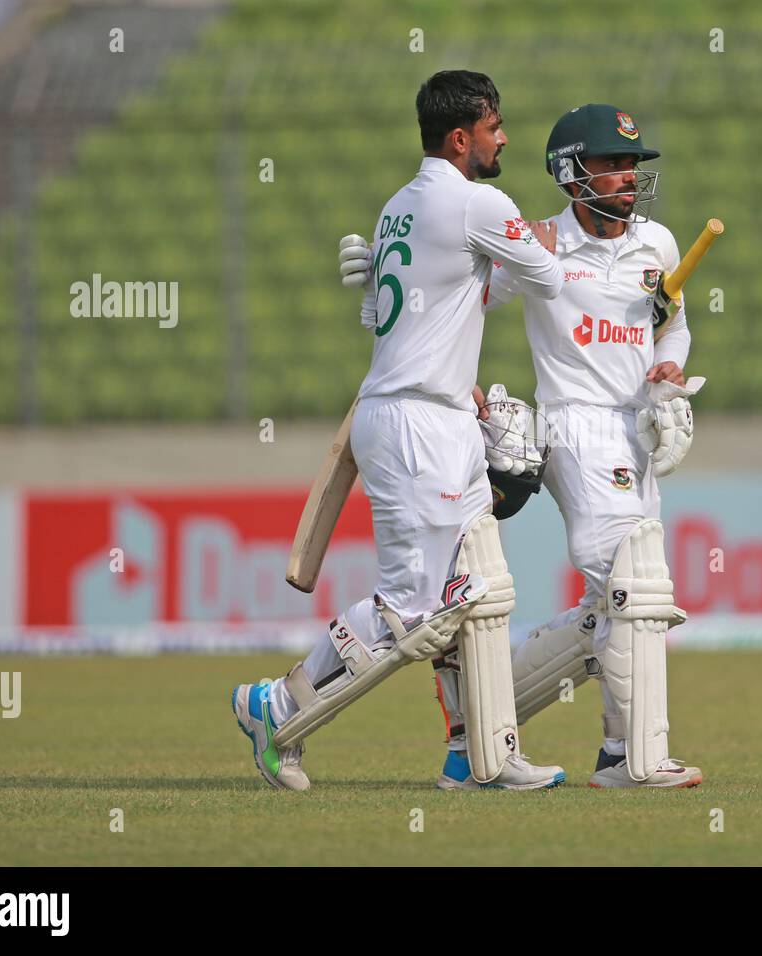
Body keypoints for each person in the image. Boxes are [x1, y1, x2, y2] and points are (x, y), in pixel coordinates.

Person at [342, 103, 704, 789]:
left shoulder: (657, 244)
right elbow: (454, 302)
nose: (629, 176)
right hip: (572, 423)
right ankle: (634, 761)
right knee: (629, 578)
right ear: (572, 175)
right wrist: (384, 281)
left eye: (633, 164)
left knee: (617, 603)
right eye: (613, 163)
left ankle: (489, 724)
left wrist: (669, 367)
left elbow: (674, 324)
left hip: (638, 430)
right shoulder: (537, 242)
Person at [232, 70, 566, 792]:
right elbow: (545, 277)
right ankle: (275, 706)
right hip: (418, 421)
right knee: (415, 609)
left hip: (419, 411)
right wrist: (552, 235)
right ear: (460, 137)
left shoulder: (397, 208)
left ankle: (479, 755)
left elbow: (459, 292)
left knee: (478, 588)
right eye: (494, 126)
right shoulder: (478, 202)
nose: (503, 137)